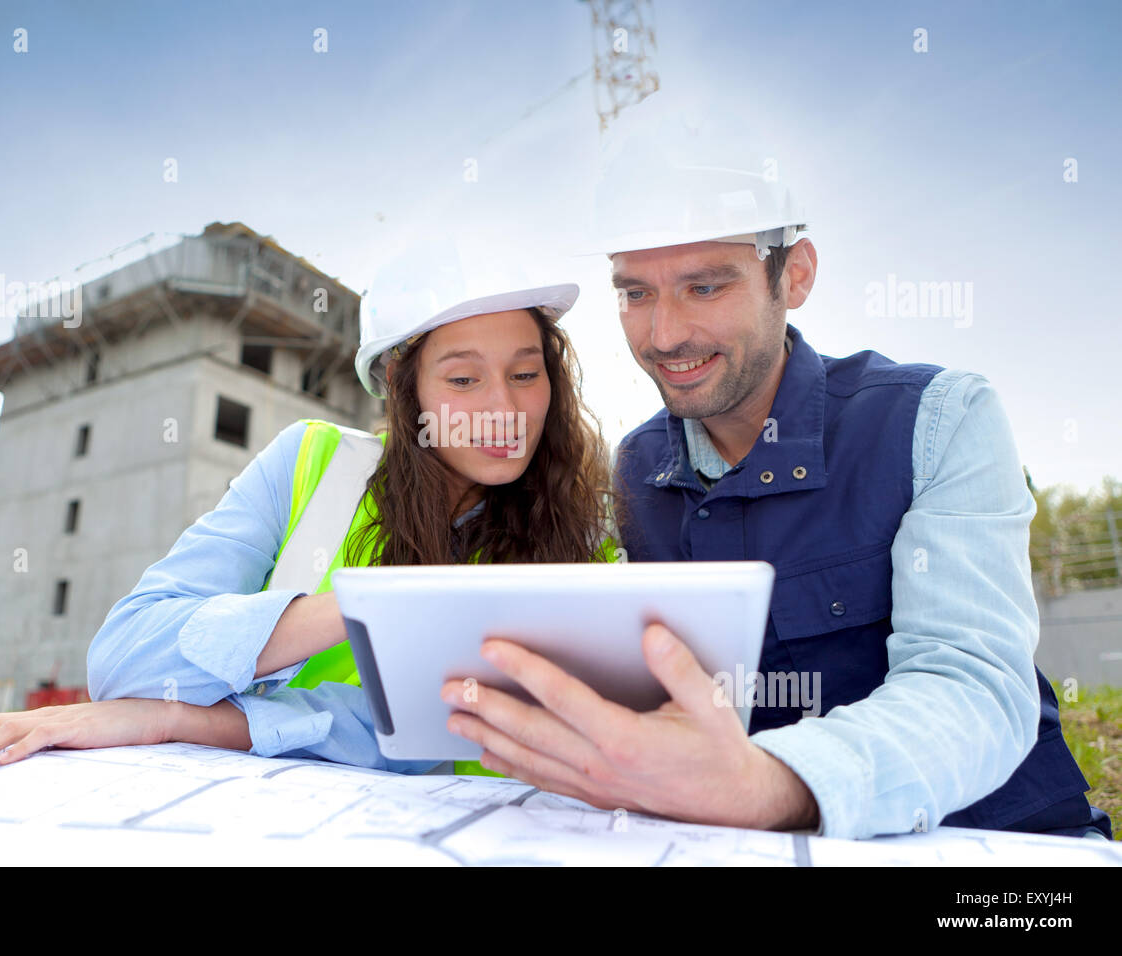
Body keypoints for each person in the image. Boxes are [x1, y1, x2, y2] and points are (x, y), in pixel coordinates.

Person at [438, 105, 1114, 841]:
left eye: (704, 287)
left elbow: (973, 687)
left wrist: (770, 785)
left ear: (793, 275)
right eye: (635, 293)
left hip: (994, 854)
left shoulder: (937, 421)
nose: (664, 336)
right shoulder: (635, 469)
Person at [0, 253, 617, 776]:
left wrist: (192, 720)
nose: (502, 407)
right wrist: (365, 605)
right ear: (405, 393)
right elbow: (124, 659)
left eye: (526, 374)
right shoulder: (310, 467)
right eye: (463, 379)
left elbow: (417, 734)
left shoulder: (587, 537)